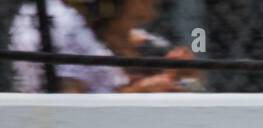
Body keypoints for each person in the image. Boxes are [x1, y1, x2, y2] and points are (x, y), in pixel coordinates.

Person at [8, 0, 194, 93]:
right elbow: (67, 115)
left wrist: (171, 73)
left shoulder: (76, 18)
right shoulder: (57, 20)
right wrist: (140, 91)